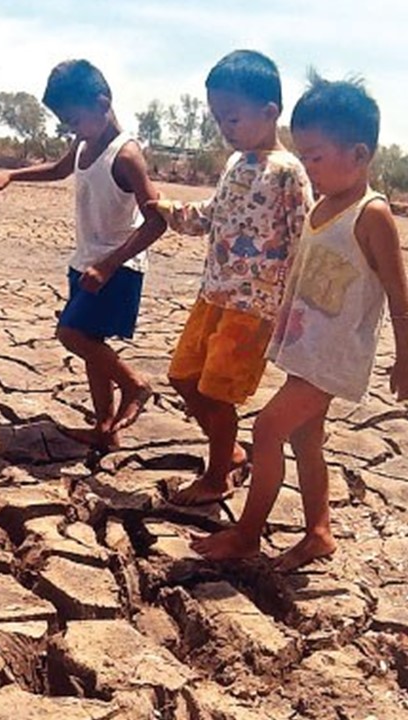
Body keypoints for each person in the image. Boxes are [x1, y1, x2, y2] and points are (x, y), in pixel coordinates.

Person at [191, 72, 408, 570]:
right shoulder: (322, 207)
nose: (308, 165)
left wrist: (406, 359)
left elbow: (399, 292)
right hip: (305, 349)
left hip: (333, 357)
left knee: (267, 430)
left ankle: (248, 535)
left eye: (316, 156)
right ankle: (319, 531)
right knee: (304, 440)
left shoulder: (370, 214)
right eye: (304, 153)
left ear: (358, 155)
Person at [151, 50, 312, 505]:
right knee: (183, 378)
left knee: (219, 395)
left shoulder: (289, 173)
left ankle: (218, 474)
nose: (225, 128)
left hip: (253, 308)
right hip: (213, 296)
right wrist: (169, 212)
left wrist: (296, 310)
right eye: (218, 119)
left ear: (269, 112)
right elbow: (210, 216)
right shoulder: (236, 165)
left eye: (233, 118)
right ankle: (232, 452)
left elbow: (303, 240)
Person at [0, 59, 166, 450]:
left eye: (74, 119)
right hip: (85, 261)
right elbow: (60, 169)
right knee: (91, 346)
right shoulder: (86, 141)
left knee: (71, 333)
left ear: (102, 103)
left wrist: (109, 263)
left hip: (116, 266)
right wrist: (12, 176)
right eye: (66, 123)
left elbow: (156, 222)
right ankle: (105, 429)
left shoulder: (126, 155)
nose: (72, 129)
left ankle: (134, 385)